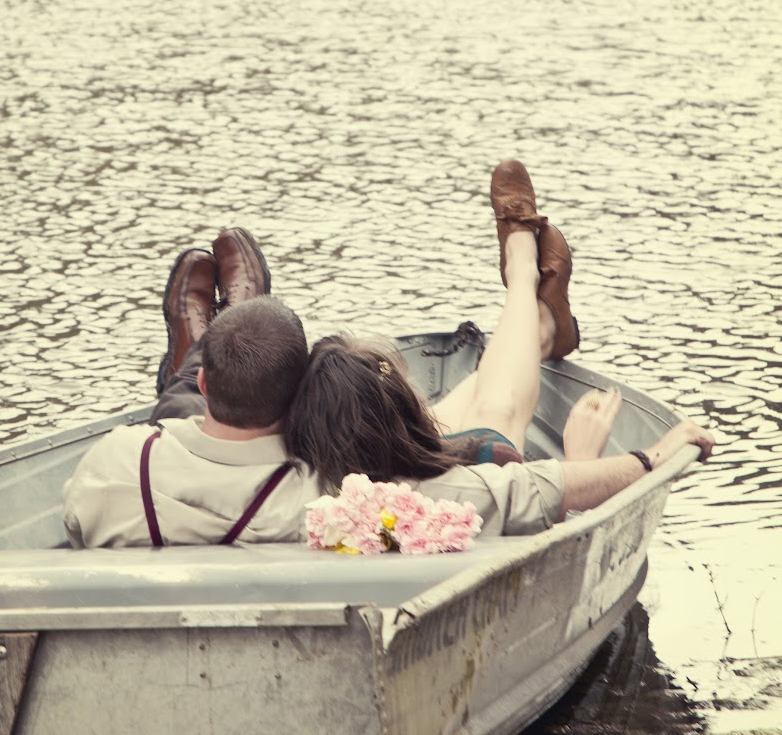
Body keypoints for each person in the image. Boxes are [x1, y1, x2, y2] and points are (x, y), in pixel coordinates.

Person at [283, 160, 714, 536]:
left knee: (477, 407)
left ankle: (537, 324)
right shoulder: (479, 486)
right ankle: (526, 285)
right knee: (495, 413)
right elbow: (549, 496)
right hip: (465, 482)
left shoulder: (285, 487)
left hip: (375, 467)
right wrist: (596, 458)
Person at [63, 228, 322, 548]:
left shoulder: (116, 459)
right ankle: (204, 342)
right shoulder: (319, 499)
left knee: (177, 412)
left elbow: (75, 529)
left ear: (204, 384)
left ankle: (197, 349)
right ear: (302, 395)